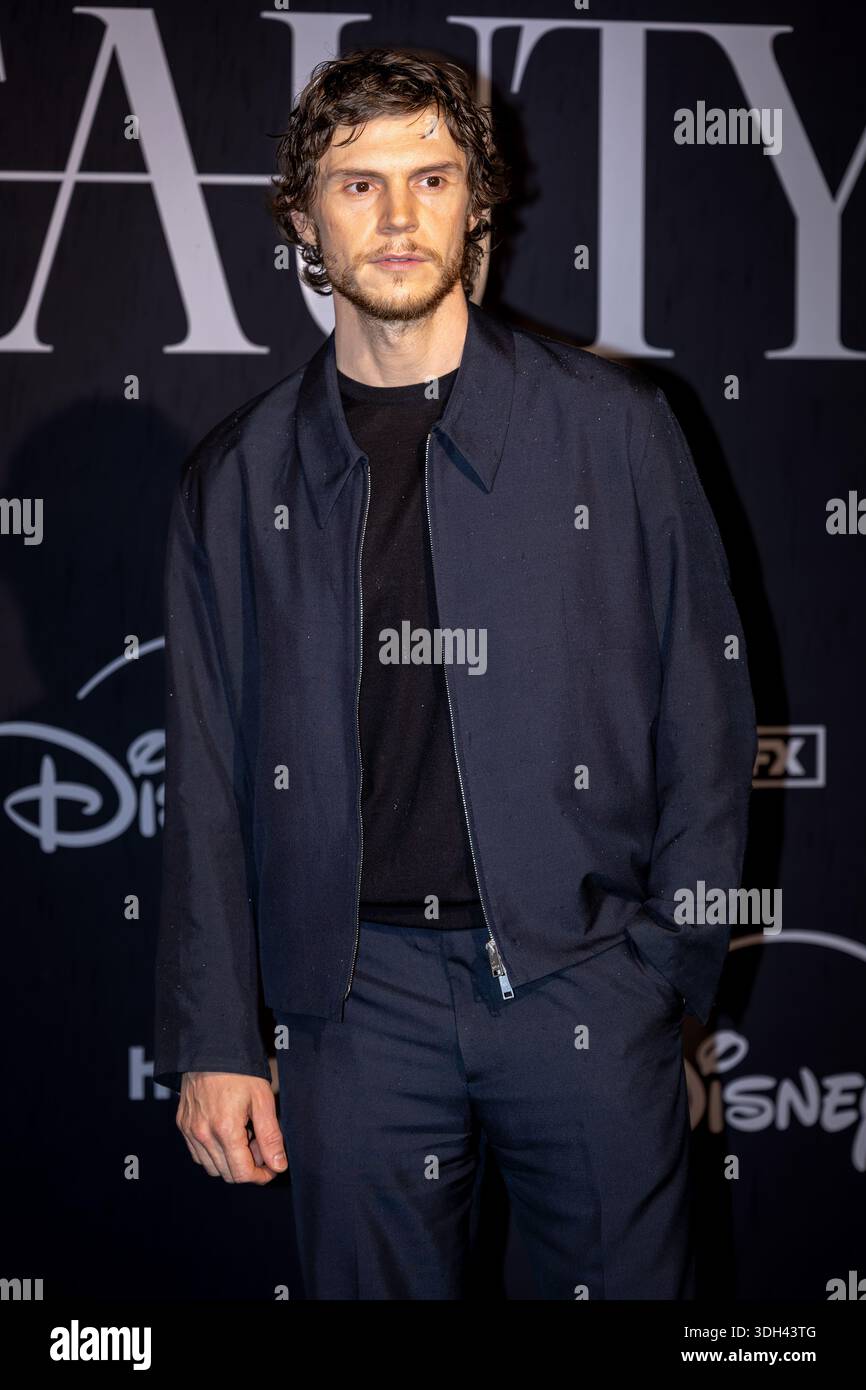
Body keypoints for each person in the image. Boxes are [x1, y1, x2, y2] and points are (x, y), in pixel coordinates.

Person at [153, 47, 757, 1300]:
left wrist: (661, 974)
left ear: (475, 200)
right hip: (353, 1004)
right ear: (301, 215)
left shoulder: (614, 430)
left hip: (584, 982)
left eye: (429, 177)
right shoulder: (236, 480)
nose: (395, 217)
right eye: (356, 184)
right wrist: (217, 1035)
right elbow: (206, 779)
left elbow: (706, 716)